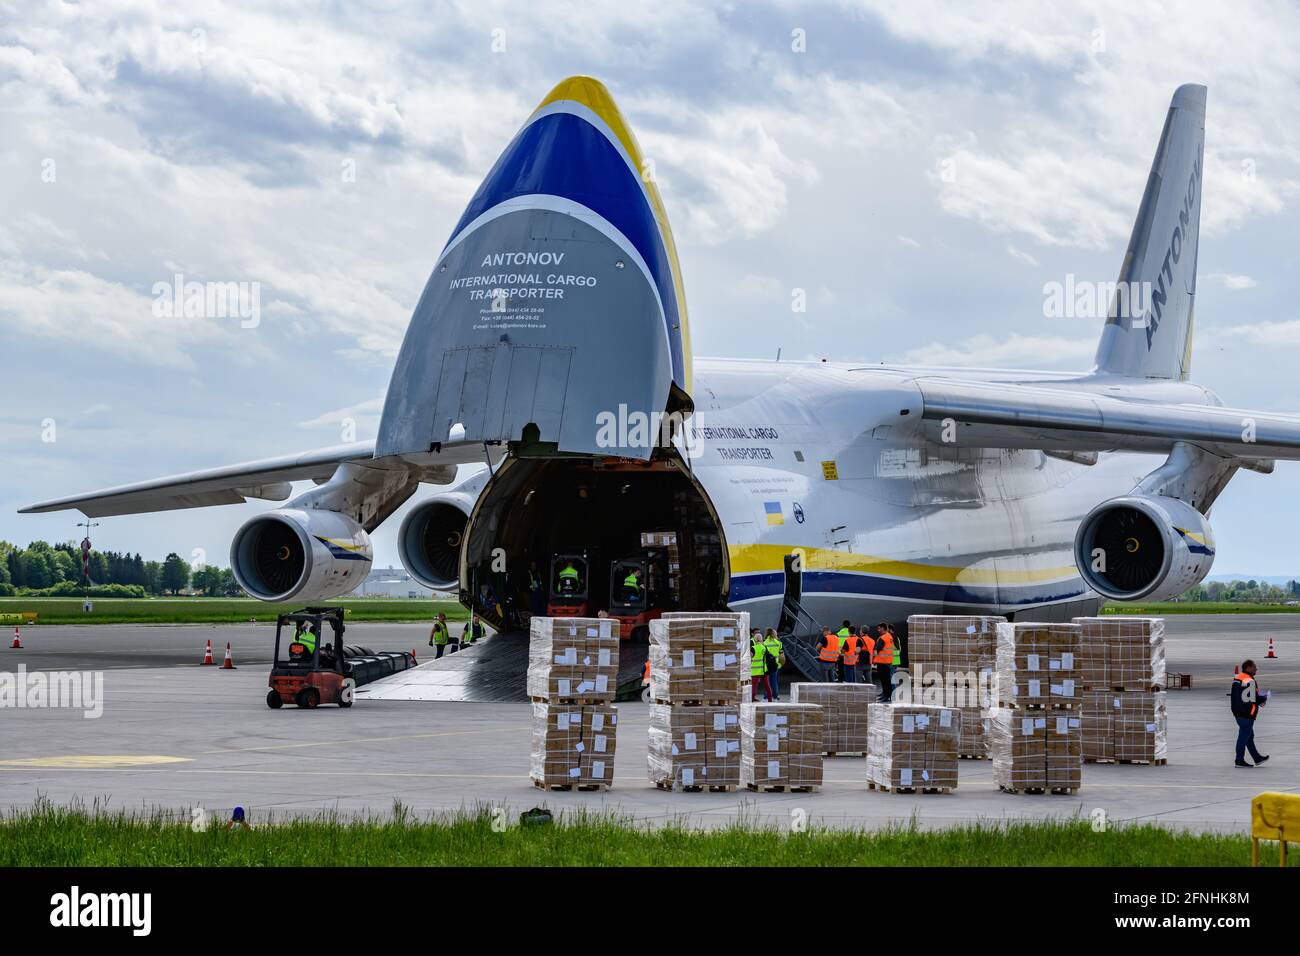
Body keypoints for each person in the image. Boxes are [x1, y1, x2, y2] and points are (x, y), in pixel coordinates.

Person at [1229, 660, 1270, 768]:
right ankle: (1239, 760)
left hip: (1238, 711)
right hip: (1246, 713)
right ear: (1248, 667)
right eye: (1254, 667)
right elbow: (1251, 697)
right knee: (1243, 737)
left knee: (1249, 736)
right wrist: (1263, 698)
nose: (1256, 669)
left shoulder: (1239, 677)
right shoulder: (1248, 679)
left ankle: (1257, 758)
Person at [873, 622, 897, 702]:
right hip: (888, 662)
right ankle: (886, 695)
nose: (878, 630)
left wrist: (873, 658)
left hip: (882, 662)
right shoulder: (889, 636)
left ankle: (886, 696)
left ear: (883, 628)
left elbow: (877, 649)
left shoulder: (883, 638)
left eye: (879, 628)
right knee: (886, 680)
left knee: (884, 681)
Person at [750, 629, 772, 701]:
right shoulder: (765, 647)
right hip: (764, 670)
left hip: (755, 670)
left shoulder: (753, 648)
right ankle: (770, 700)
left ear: (755, 639)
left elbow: (750, 657)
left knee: (754, 686)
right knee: (767, 686)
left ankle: (752, 699)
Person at [762, 628, 784, 699]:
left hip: (766, 665)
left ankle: (766, 695)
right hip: (775, 665)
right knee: (774, 681)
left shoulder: (764, 643)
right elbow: (782, 656)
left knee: (767, 681)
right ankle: (775, 695)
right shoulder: (778, 643)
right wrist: (781, 664)